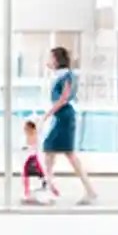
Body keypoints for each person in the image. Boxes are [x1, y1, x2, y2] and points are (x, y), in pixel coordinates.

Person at [40, 46, 97, 205]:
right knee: (49, 151)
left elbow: (64, 98)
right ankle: (50, 187)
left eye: (51, 58)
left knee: (65, 154)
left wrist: (47, 114)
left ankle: (88, 190)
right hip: (61, 117)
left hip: (65, 117)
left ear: (57, 59)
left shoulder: (67, 76)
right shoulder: (59, 75)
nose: (49, 61)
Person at [19, 119, 56, 205]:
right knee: (27, 176)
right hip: (30, 160)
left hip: (36, 160)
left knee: (42, 176)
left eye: (27, 129)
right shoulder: (26, 138)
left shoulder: (37, 137)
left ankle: (49, 191)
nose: (25, 131)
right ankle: (28, 193)